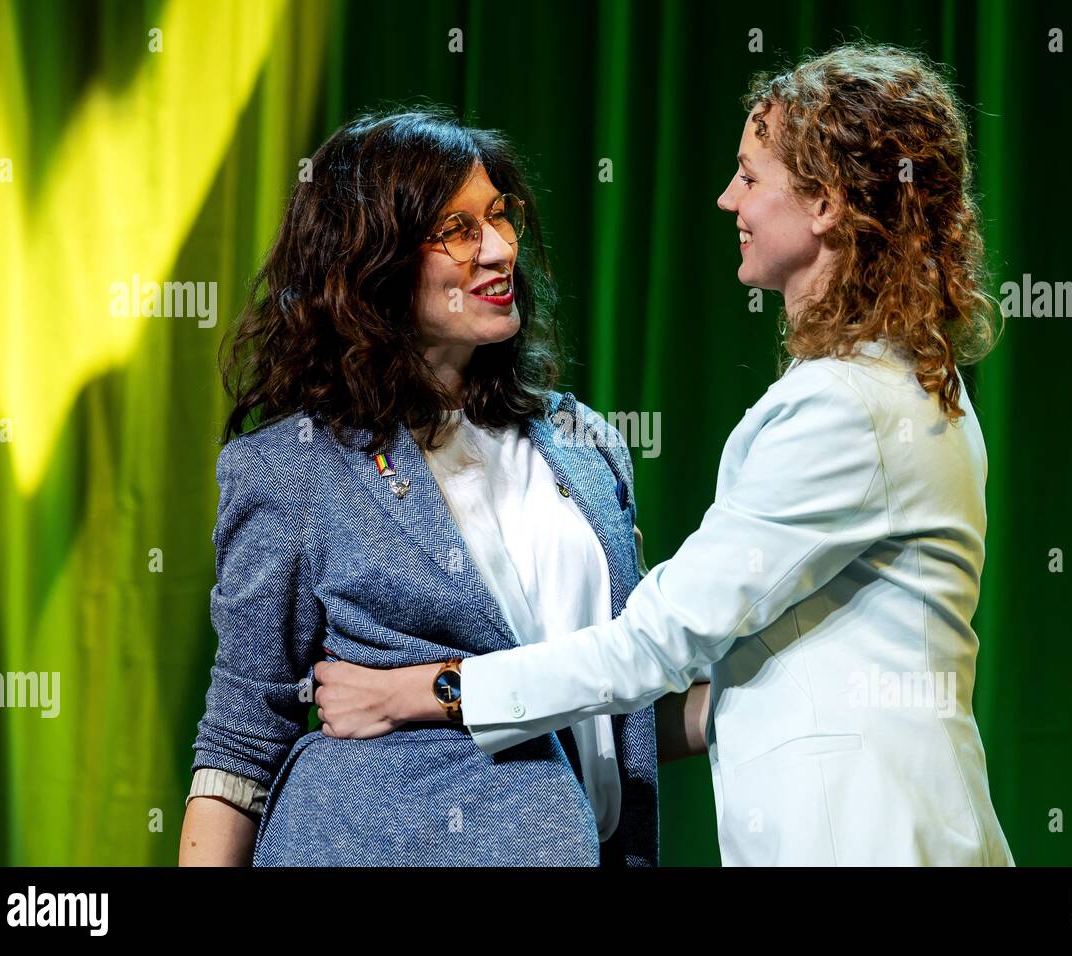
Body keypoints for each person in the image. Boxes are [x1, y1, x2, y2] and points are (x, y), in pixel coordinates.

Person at [338, 44, 1016, 866]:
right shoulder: (909, 380)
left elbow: (655, 644)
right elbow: (766, 670)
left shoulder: (845, 406)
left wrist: (425, 692)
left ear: (827, 203)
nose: (729, 197)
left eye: (751, 176)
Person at [178, 108, 676, 867]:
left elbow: (623, 686)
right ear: (370, 264)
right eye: (458, 229)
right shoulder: (292, 469)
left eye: (499, 217)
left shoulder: (586, 445)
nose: (500, 249)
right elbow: (244, 732)